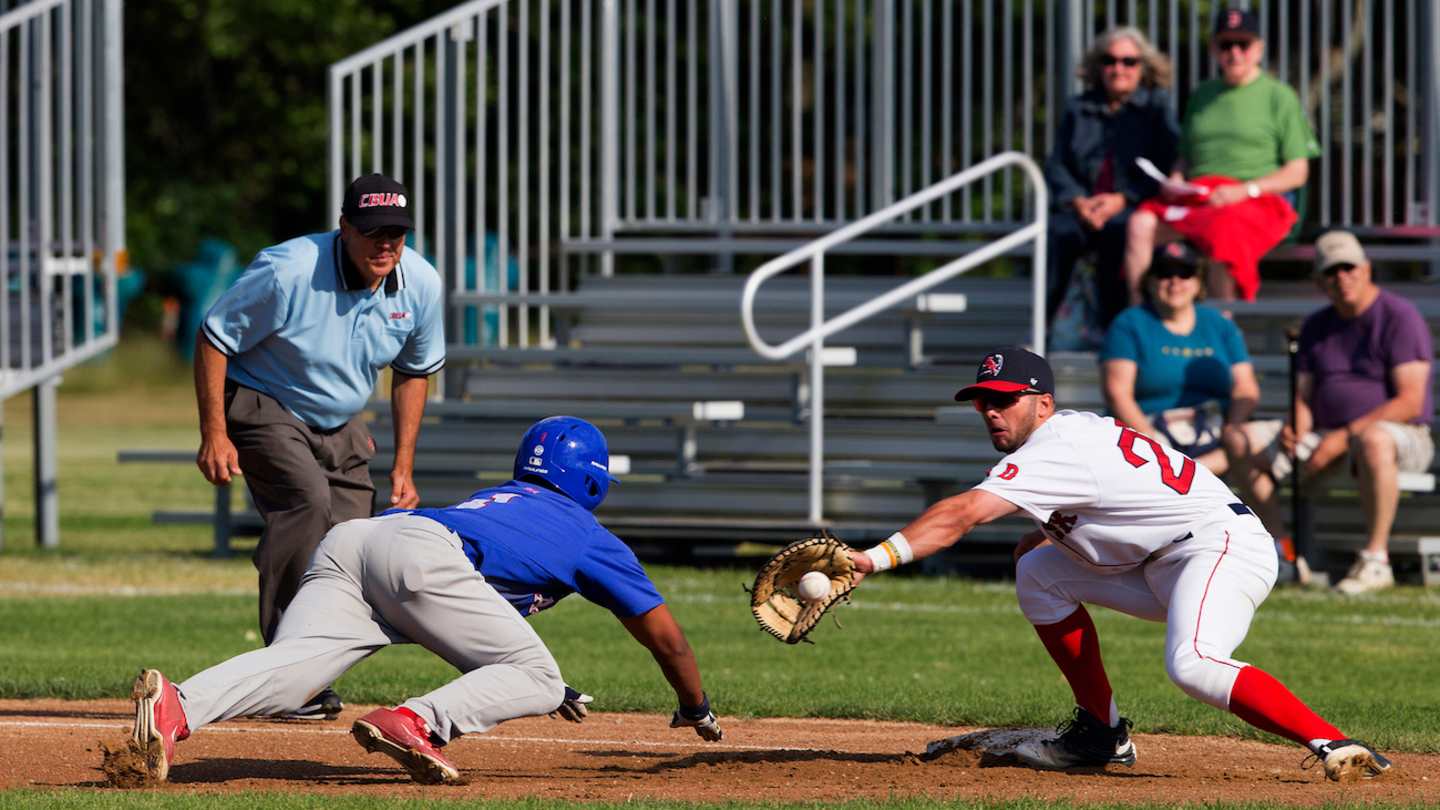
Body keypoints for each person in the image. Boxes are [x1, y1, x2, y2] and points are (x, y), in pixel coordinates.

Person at [844, 346, 1391, 782]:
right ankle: (1100, 733)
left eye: (1005, 398)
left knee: (1193, 663)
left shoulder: (1056, 447)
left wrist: (871, 558)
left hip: (1219, 546)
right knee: (1036, 571)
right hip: (1165, 560)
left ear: (1043, 403)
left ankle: (1334, 742)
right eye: (983, 399)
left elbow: (963, 513)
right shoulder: (1065, 438)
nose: (991, 409)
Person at [125, 416, 724, 785]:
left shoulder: (499, 499)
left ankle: (180, 706)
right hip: (419, 553)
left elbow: (454, 609)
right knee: (538, 677)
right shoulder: (592, 536)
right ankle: (416, 721)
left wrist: (499, 676)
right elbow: (668, 639)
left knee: (299, 668)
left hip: (359, 538)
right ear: (592, 482)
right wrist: (694, 706)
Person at [194, 173, 446, 719]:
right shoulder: (288, 271)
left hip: (341, 417)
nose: (386, 244)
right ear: (345, 228)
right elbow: (215, 337)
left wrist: (404, 466)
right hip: (263, 398)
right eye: (374, 231)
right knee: (305, 503)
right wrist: (214, 434)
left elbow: (414, 372)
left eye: (397, 233)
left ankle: (312, 666)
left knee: (353, 543)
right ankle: (284, 671)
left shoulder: (421, 283)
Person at [1227, 231, 1434, 595]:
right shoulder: (1316, 326)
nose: (1342, 277)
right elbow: (1305, 394)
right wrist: (1297, 427)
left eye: (1348, 267)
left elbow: (1410, 402)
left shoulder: (1399, 317)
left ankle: (1376, 559)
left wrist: (1341, 439)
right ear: (1319, 281)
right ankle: (1282, 551)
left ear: (1367, 270)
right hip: (1325, 433)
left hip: (1402, 437)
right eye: (1331, 271)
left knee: (1373, 439)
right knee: (1238, 439)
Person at [1123, 8, 1319, 304]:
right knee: (1139, 224)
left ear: (1259, 48)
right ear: (1214, 48)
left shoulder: (1280, 96)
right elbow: (1185, 156)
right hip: (1200, 198)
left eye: (1244, 44)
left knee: (1223, 229)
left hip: (1255, 201)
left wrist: (1244, 190)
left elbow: (1297, 171)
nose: (1235, 52)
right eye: (1227, 44)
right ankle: (1139, 312)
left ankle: (1223, 323)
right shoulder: (1202, 95)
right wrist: (1175, 178)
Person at [1044, 26, 1179, 337]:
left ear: (1143, 67)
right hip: (1082, 208)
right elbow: (1058, 164)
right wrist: (1078, 200)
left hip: (1130, 206)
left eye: (1128, 61)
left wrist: (1122, 198)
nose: (1118, 69)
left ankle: (1119, 332)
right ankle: (1045, 327)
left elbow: (1164, 166)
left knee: (1122, 233)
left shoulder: (1156, 109)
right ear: (1098, 66)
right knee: (1056, 234)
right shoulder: (1079, 108)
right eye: (1110, 61)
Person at [1101, 241, 1259, 476]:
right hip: (1148, 436)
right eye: (1165, 273)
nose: (1175, 282)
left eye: (1185, 273)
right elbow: (1118, 393)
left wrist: (1233, 428)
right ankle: (1185, 475)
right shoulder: (1129, 324)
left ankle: (1189, 476)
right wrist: (1154, 445)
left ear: (1198, 282)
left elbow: (1246, 387)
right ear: (1150, 281)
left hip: (1215, 437)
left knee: (1248, 448)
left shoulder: (1220, 325)